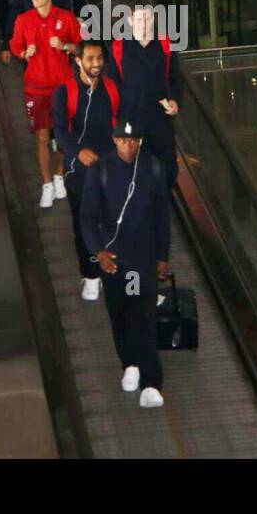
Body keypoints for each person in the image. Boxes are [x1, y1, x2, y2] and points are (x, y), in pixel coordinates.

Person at [80, 116, 172, 408]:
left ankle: (151, 382)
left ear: (140, 142)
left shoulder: (153, 169)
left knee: (142, 316)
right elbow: (86, 218)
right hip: (114, 262)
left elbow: (161, 216)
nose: (128, 146)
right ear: (114, 140)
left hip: (140, 262)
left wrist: (162, 255)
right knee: (119, 314)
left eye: (134, 140)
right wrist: (99, 252)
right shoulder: (101, 170)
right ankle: (129, 363)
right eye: (123, 140)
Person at [53, 40, 120, 301]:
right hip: (79, 171)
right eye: (90, 59)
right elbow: (59, 131)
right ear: (78, 60)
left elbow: (121, 122)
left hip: (110, 168)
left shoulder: (112, 89)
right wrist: (77, 152)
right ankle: (91, 274)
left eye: (100, 58)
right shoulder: (65, 92)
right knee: (85, 223)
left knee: (116, 220)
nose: (96, 64)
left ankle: (119, 271)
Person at [10, 0, 83, 209]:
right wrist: (23, 53)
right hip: (35, 87)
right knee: (42, 136)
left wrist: (65, 47)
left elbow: (80, 45)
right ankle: (47, 183)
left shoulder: (66, 17)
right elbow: (15, 46)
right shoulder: (23, 20)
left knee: (62, 134)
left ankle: (60, 174)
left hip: (62, 86)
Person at [108, 4, 182, 190]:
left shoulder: (165, 44)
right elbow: (112, 86)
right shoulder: (119, 47)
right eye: (139, 19)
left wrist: (174, 101)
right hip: (131, 121)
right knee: (136, 171)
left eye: (148, 19)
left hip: (160, 119)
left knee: (168, 170)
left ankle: (163, 204)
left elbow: (175, 78)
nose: (143, 24)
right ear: (131, 21)